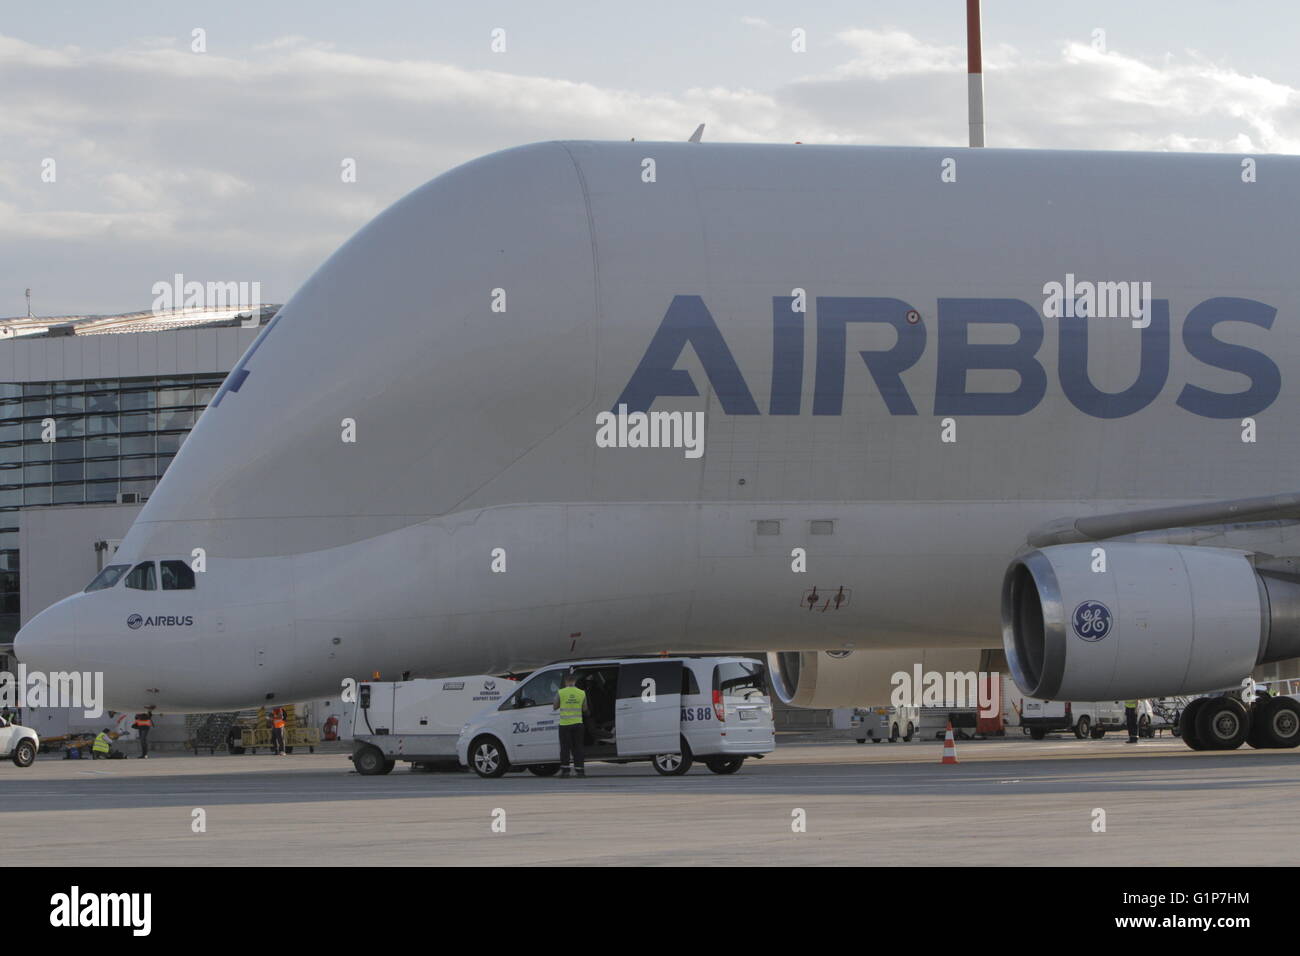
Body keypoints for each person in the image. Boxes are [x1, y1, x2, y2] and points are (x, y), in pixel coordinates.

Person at [553, 672, 589, 777]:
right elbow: (585, 708)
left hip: (564, 724)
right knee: (578, 747)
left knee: (565, 748)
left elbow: (555, 706)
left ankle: (565, 771)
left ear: (566, 682)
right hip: (578, 724)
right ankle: (580, 771)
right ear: (575, 681)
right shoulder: (582, 693)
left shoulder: (560, 692)